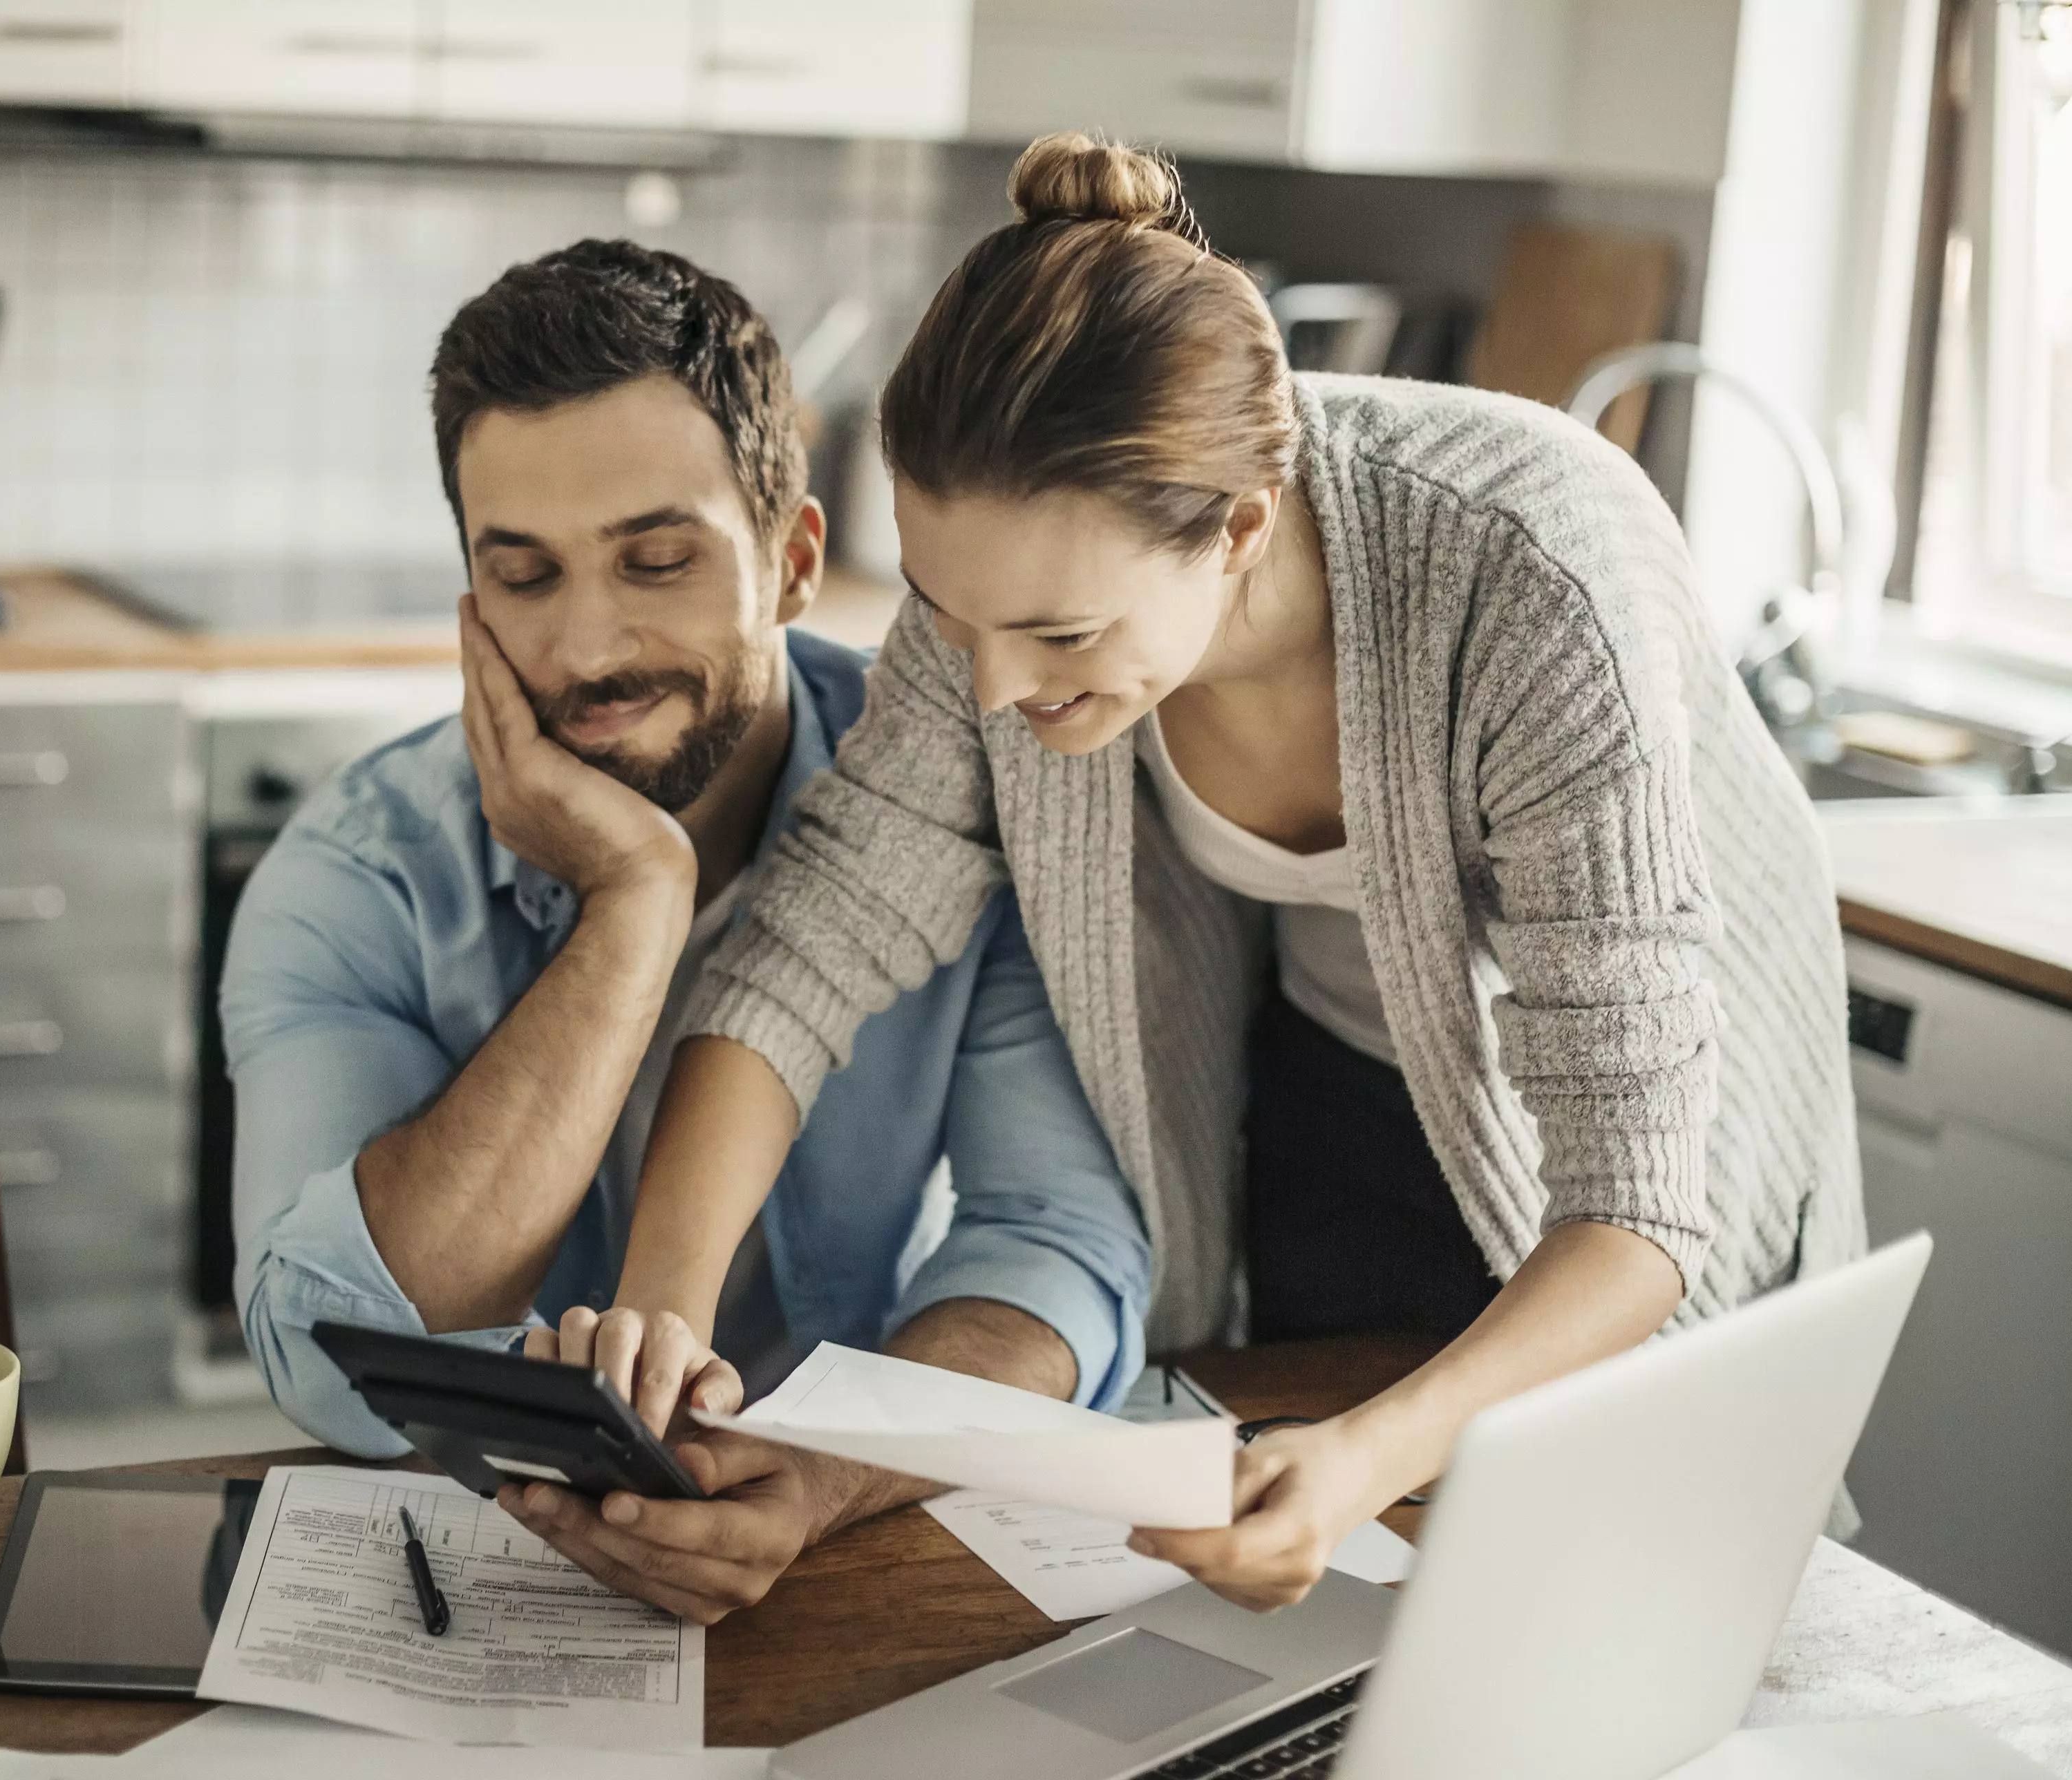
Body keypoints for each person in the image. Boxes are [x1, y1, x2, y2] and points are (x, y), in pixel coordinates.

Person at [583, 135, 1866, 1611]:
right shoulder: (1001, 612)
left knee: (1619, 1590)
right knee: (1361, 1622)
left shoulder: (1533, 574)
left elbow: (1637, 1205)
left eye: (1060, 637)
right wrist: (660, 1317)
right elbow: (814, 944)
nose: (994, 690)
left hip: (1636, 1156)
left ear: (1242, 526)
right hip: (1337, 1086)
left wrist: (1362, 1454)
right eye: (949, 613)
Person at [221, 236, 1153, 1624]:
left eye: (656, 560)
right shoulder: (358, 875)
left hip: (851, 1541)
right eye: (525, 576)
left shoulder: (968, 808)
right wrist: (633, 907)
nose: (591, 647)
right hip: (490, 1585)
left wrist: (829, 1471)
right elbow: (329, 1355)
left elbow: (1056, 1252)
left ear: (792, 563)